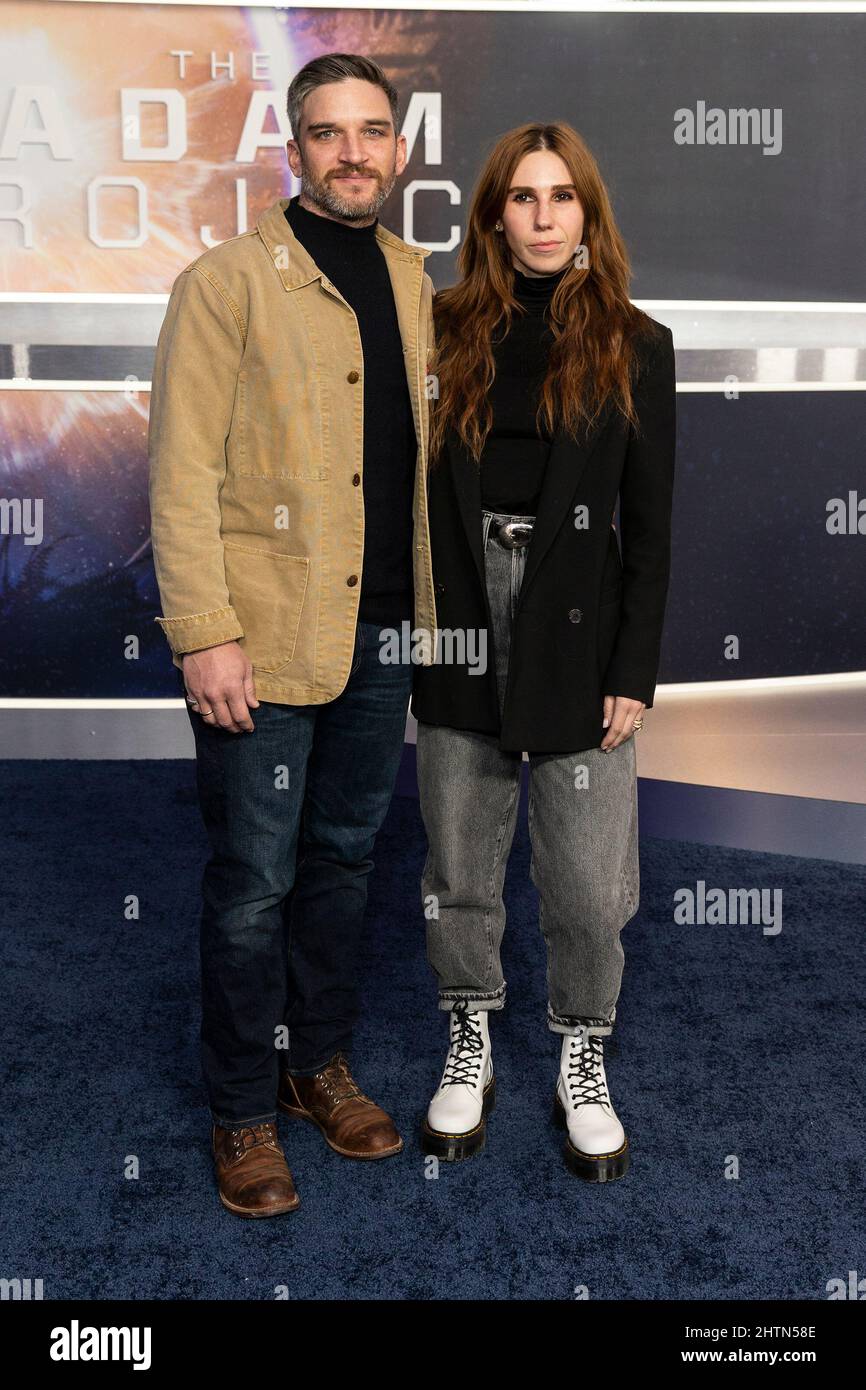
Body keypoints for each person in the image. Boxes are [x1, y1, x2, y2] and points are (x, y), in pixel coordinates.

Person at [148, 53, 438, 1217]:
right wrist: (203, 632)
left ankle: (316, 1067)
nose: (352, 151)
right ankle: (239, 1114)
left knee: (344, 865)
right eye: (328, 132)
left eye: (371, 131)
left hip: (382, 634)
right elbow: (179, 474)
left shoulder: (421, 282)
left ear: (399, 149)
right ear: (292, 146)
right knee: (251, 886)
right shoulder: (226, 282)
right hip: (261, 642)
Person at [411, 122, 676, 1182]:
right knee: (459, 859)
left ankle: (581, 1045)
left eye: (561, 196)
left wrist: (632, 671)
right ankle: (468, 1027)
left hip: (579, 616)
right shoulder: (436, 330)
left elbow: (649, 530)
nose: (541, 217)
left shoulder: (636, 342)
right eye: (521, 198)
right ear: (491, 215)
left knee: (584, 882)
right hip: (464, 603)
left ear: (587, 214)